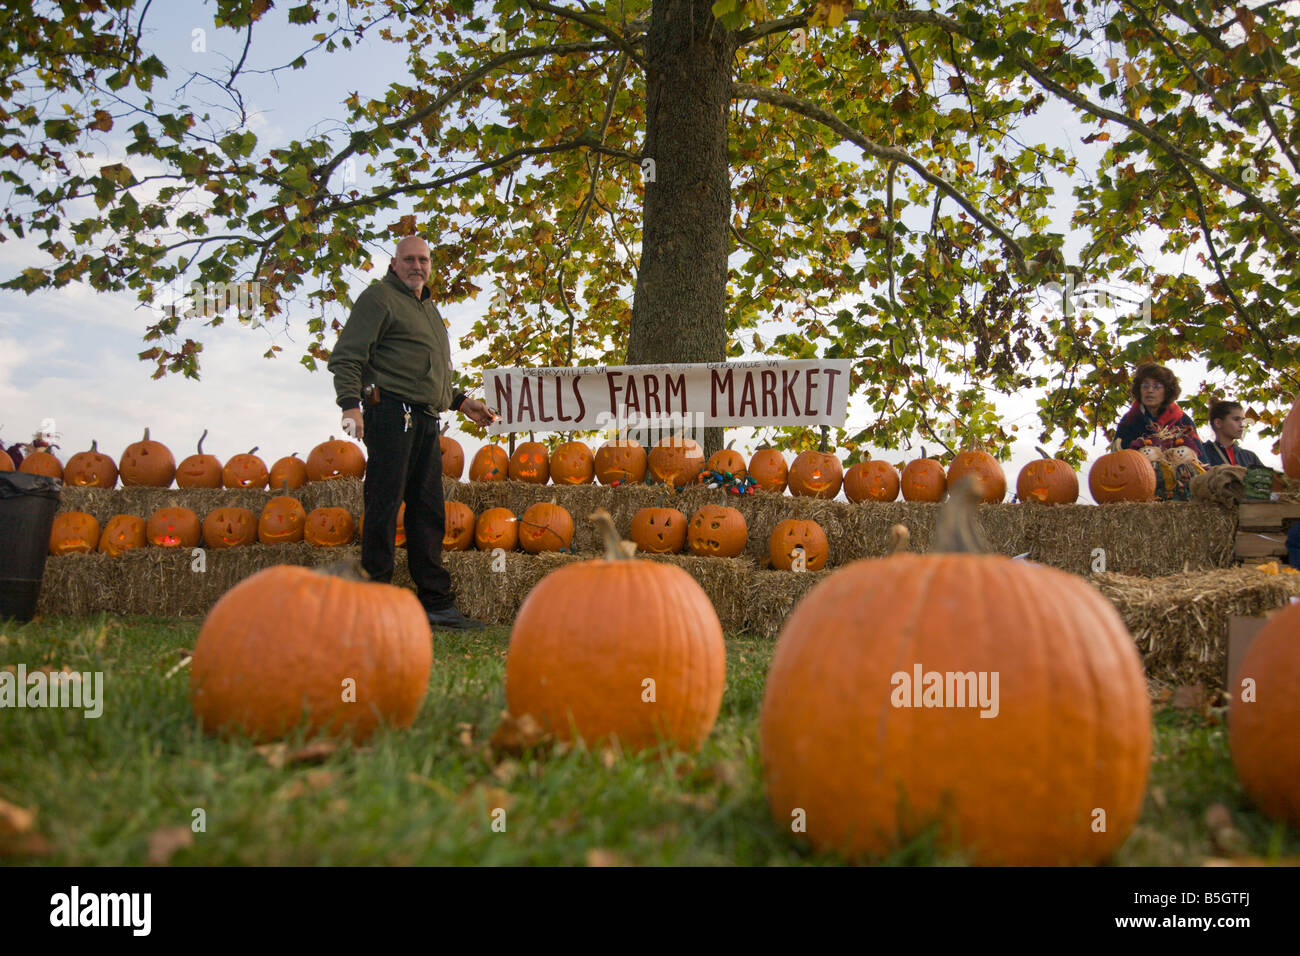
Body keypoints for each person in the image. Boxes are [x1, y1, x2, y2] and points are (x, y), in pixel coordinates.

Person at [327, 236, 497, 630]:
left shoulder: (429, 309)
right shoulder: (378, 299)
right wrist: (350, 405)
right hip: (389, 413)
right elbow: (348, 356)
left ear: (430, 265)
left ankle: (436, 603)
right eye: (408, 259)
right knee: (385, 505)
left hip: (425, 418)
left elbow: (423, 370)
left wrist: (459, 401)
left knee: (429, 511)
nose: (416, 266)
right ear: (394, 263)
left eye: (423, 259)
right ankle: (372, 602)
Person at [1113, 363, 1207, 462]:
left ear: (1167, 391)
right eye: (1145, 385)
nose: (1149, 390)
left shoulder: (1182, 421)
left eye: (1156, 386)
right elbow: (1117, 459)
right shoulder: (1129, 421)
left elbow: (1200, 460)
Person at [1203, 399, 1263, 469]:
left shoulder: (1250, 457)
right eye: (1236, 419)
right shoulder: (1201, 453)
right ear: (1218, 423)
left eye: (1243, 420)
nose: (1242, 425)